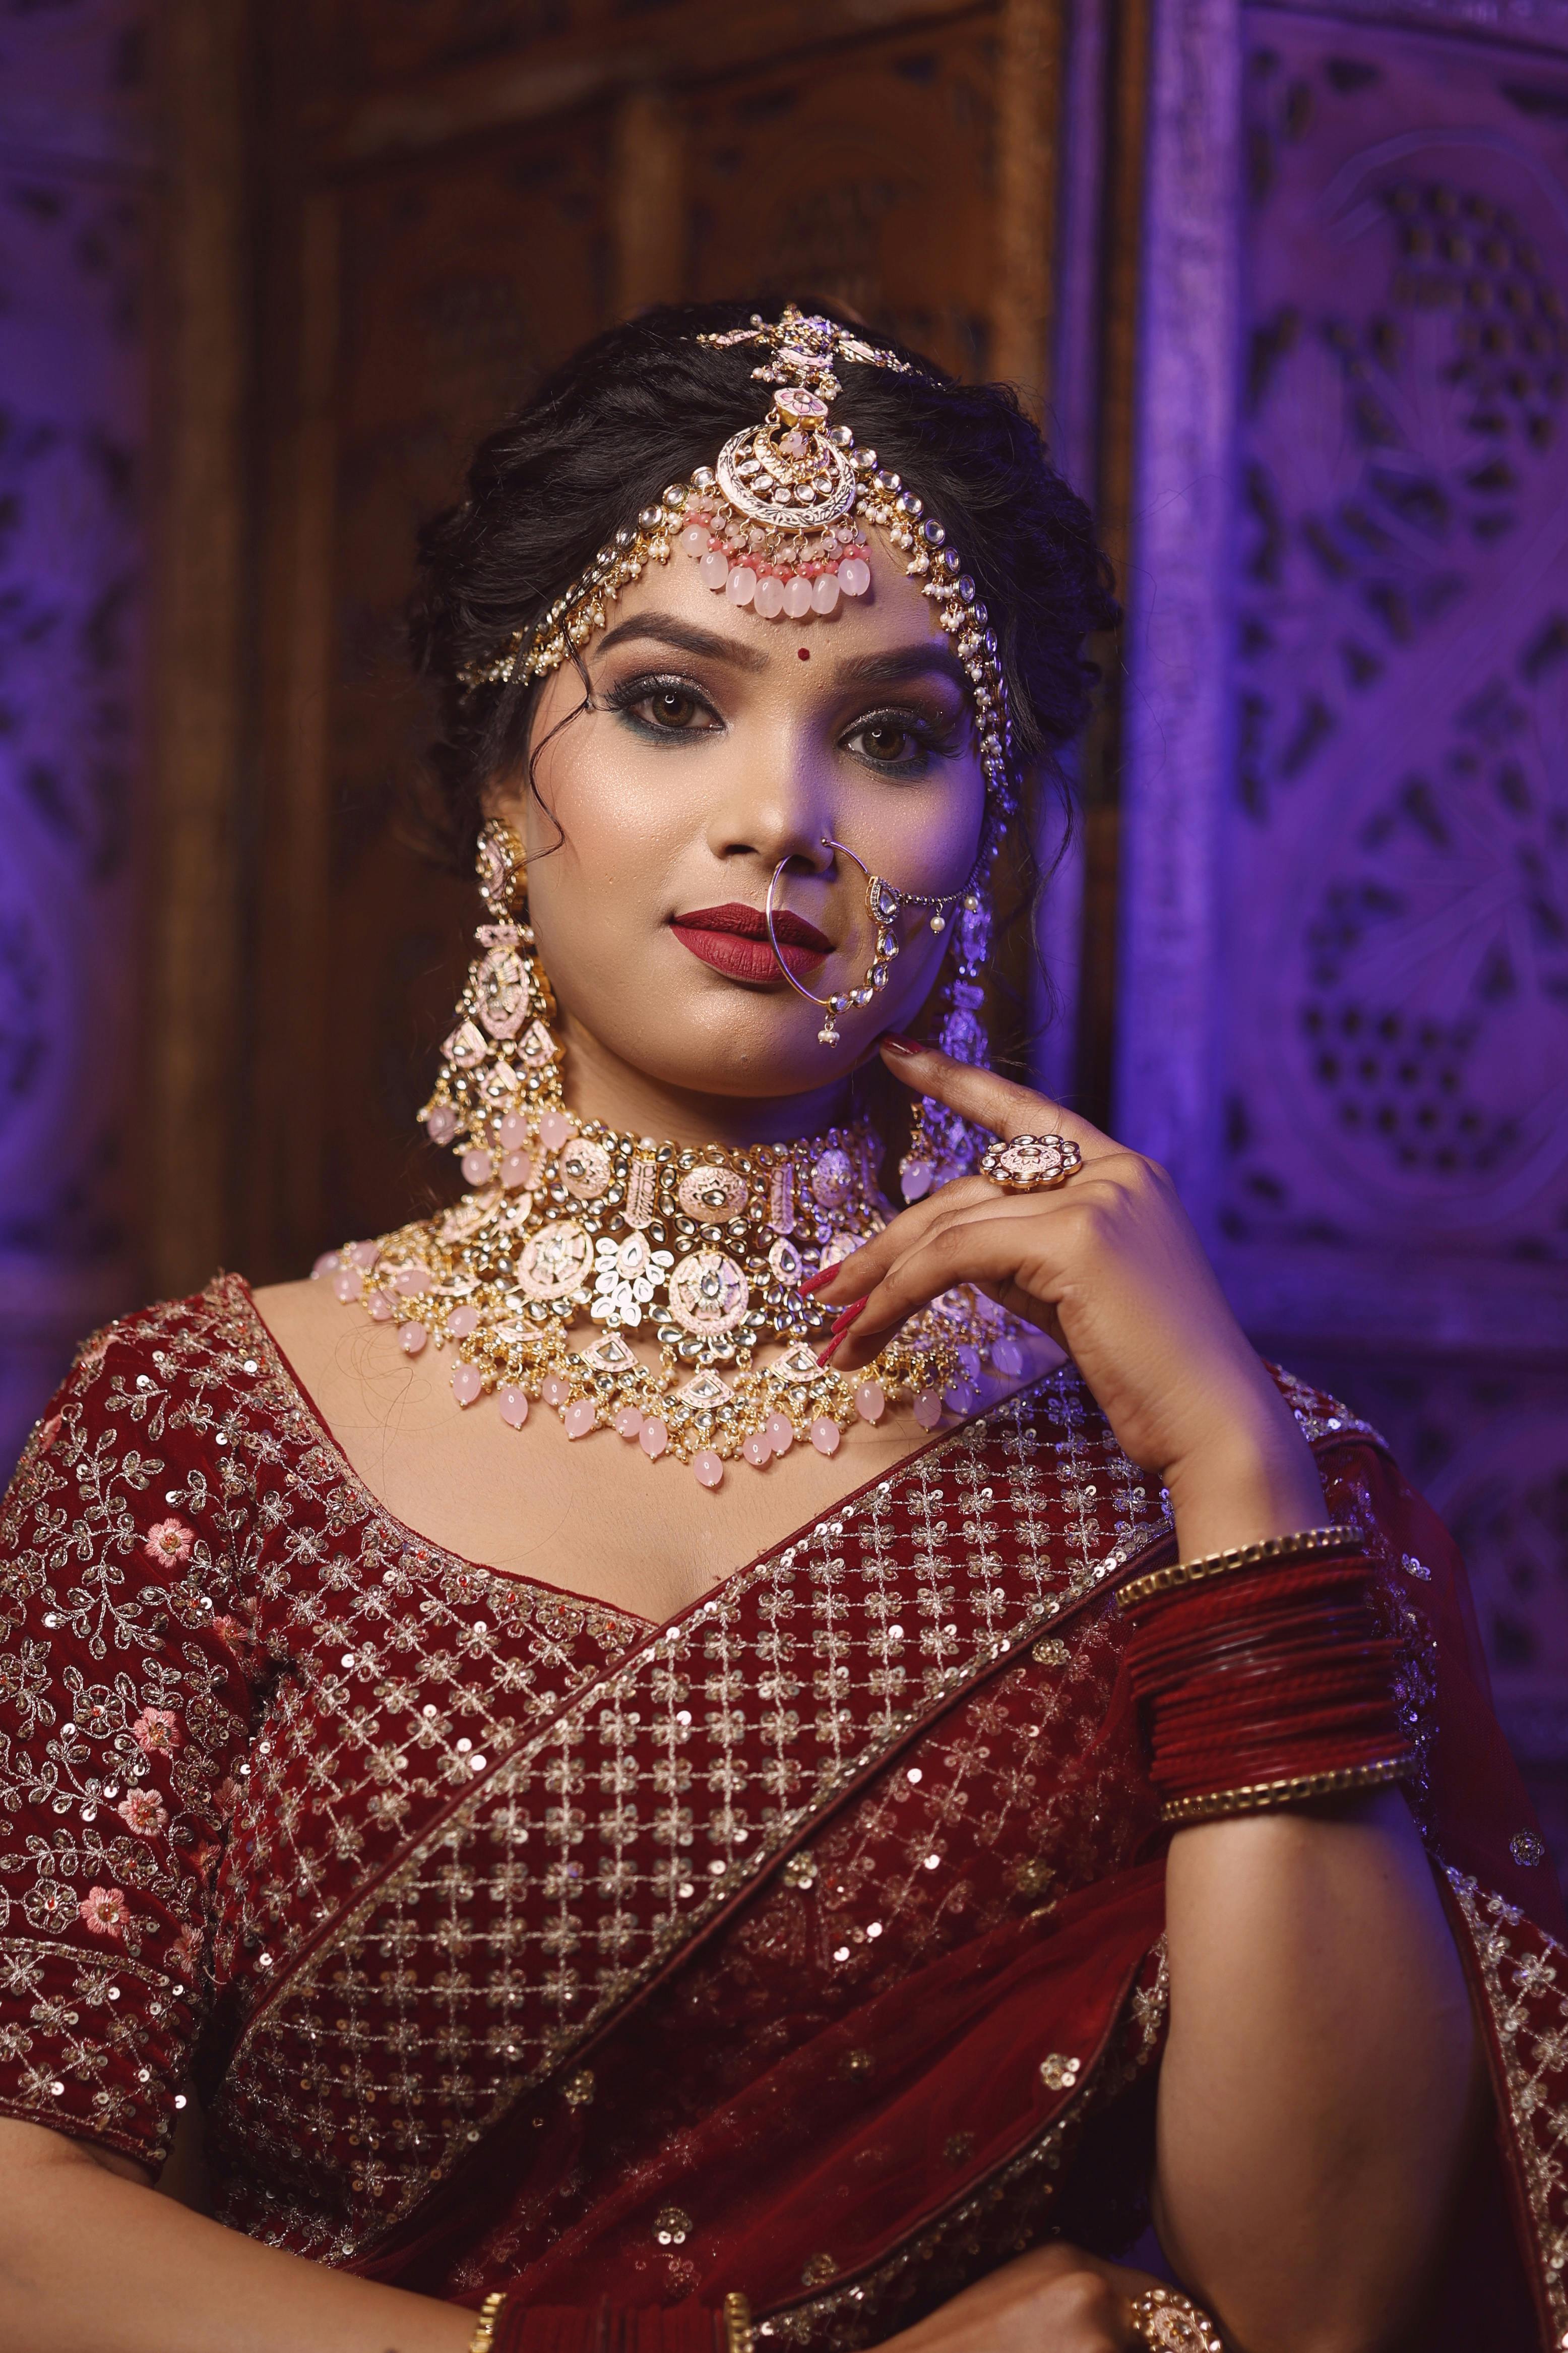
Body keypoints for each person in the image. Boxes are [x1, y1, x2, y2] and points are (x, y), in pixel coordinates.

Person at [0, 301, 1557, 2353]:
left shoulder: (1232, 1485)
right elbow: (26, 2218)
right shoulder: (199, 1432)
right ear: (495, 784)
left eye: (896, 737)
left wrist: (1228, 1476)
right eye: (668, 703)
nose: (780, 816)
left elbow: (1328, 2299)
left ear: (986, 839)